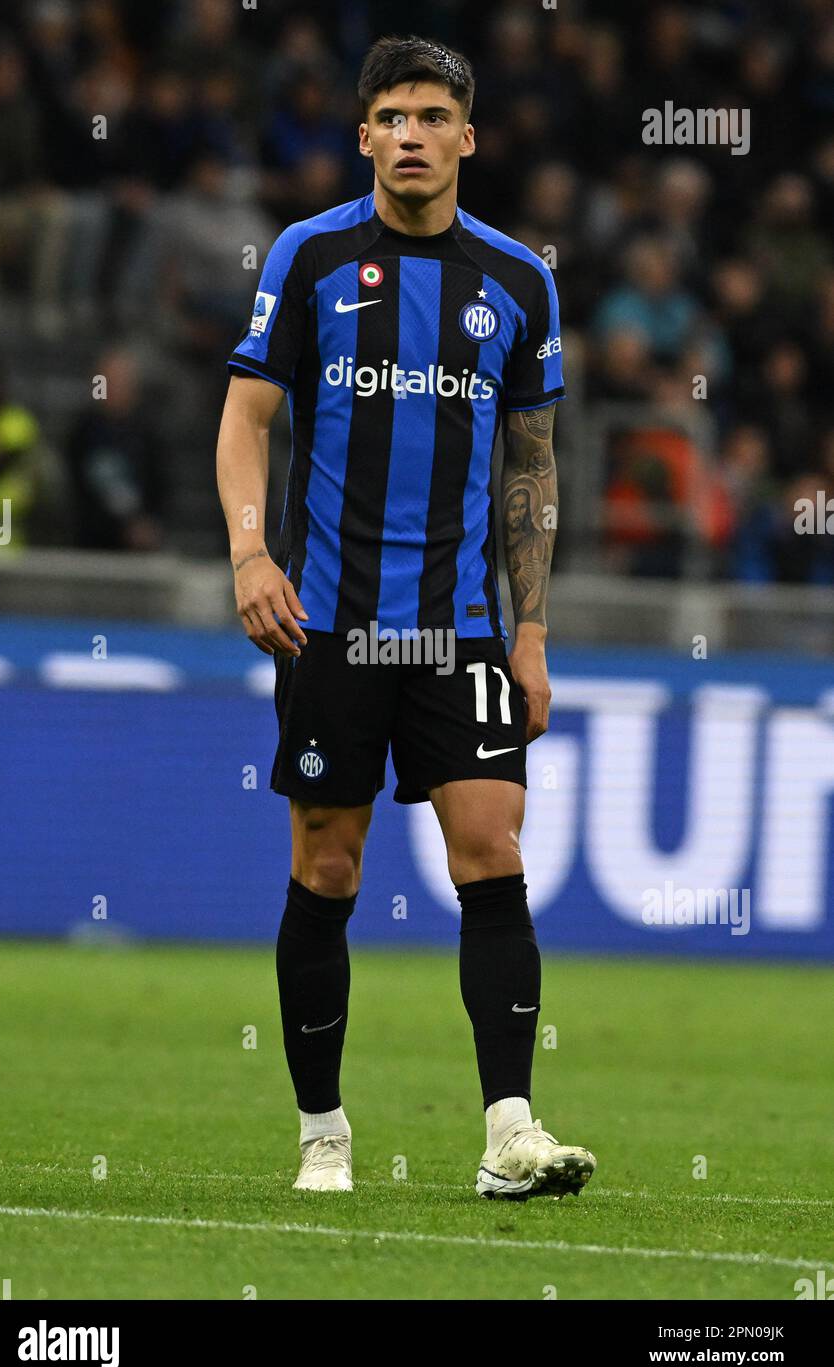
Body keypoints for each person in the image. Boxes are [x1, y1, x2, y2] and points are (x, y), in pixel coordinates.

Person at [216, 34, 596, 1202]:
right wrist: (248, 553)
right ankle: (323, 1131)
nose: (415, 134)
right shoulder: (311, 254)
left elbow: (530, 468)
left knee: (492, 848)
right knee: (327, 865)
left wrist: (529, 633)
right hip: (329, 625)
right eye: (394, 115)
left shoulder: (516, 283)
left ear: (467, 137)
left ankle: (508, 1131)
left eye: (436, 114)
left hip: (457, 634)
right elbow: (245, 420)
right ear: (366, 135)